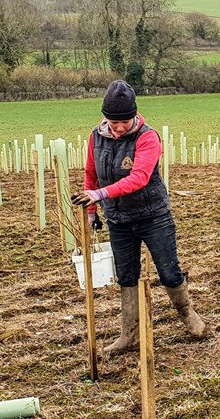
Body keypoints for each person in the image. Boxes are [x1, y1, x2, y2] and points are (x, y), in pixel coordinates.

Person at [71, 80, 210, 356]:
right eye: (113, 122)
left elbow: (139, 178)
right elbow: (91, 173)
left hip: (152, 215)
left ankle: (189, 316)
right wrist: (91, 212)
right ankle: (129, 334)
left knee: (169, 270)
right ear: (105, 117)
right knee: (126, 276)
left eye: (125, 121)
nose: (119, 127)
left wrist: (100, 194)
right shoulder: (96, 136)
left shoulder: (148, 137)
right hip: (118, 219)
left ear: (134, 115)